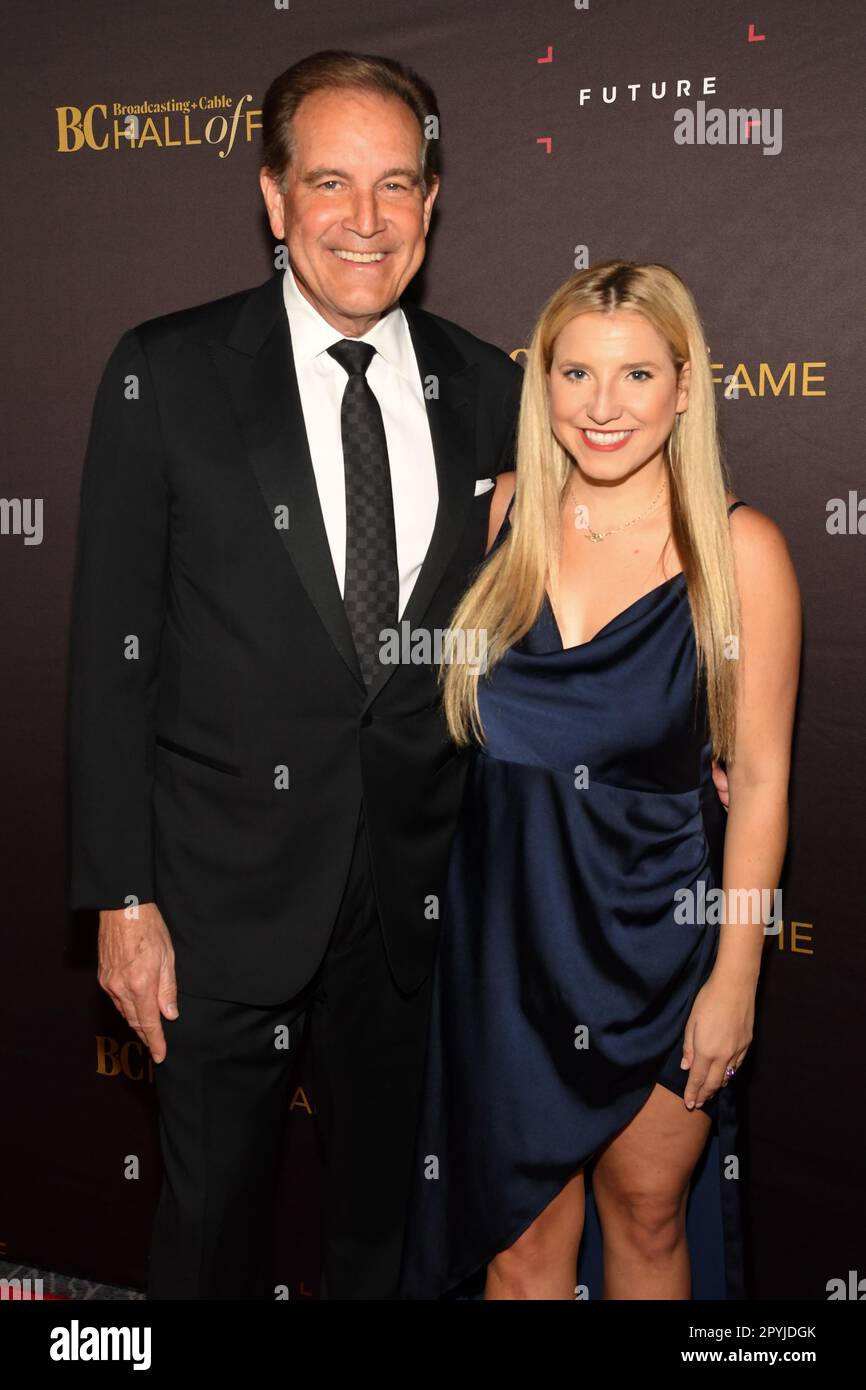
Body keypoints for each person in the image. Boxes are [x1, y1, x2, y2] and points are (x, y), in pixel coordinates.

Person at [66, 49, 524, 1300]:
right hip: (213, 901)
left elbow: (561, 604)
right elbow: (111, 656)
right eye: (329, 182)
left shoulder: (491, 389)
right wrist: (119, 895)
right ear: (273, 198)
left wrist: (681, 733)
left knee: (384, 1231)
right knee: (210, 1225)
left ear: (431, 203)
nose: (364, 220)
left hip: (411, 907)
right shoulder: (164, 370)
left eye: (395, 184)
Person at [399, 260, 801, 1301]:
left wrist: (734, 979)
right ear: (543, 389)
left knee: (646, 1216)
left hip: (657, 953)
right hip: (503, 955)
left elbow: (757, 783)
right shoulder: (500, 524)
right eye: (574, 374)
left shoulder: (737, 550)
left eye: (633, 375)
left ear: (682, 386)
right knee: (521, 1249)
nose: (601, 406)